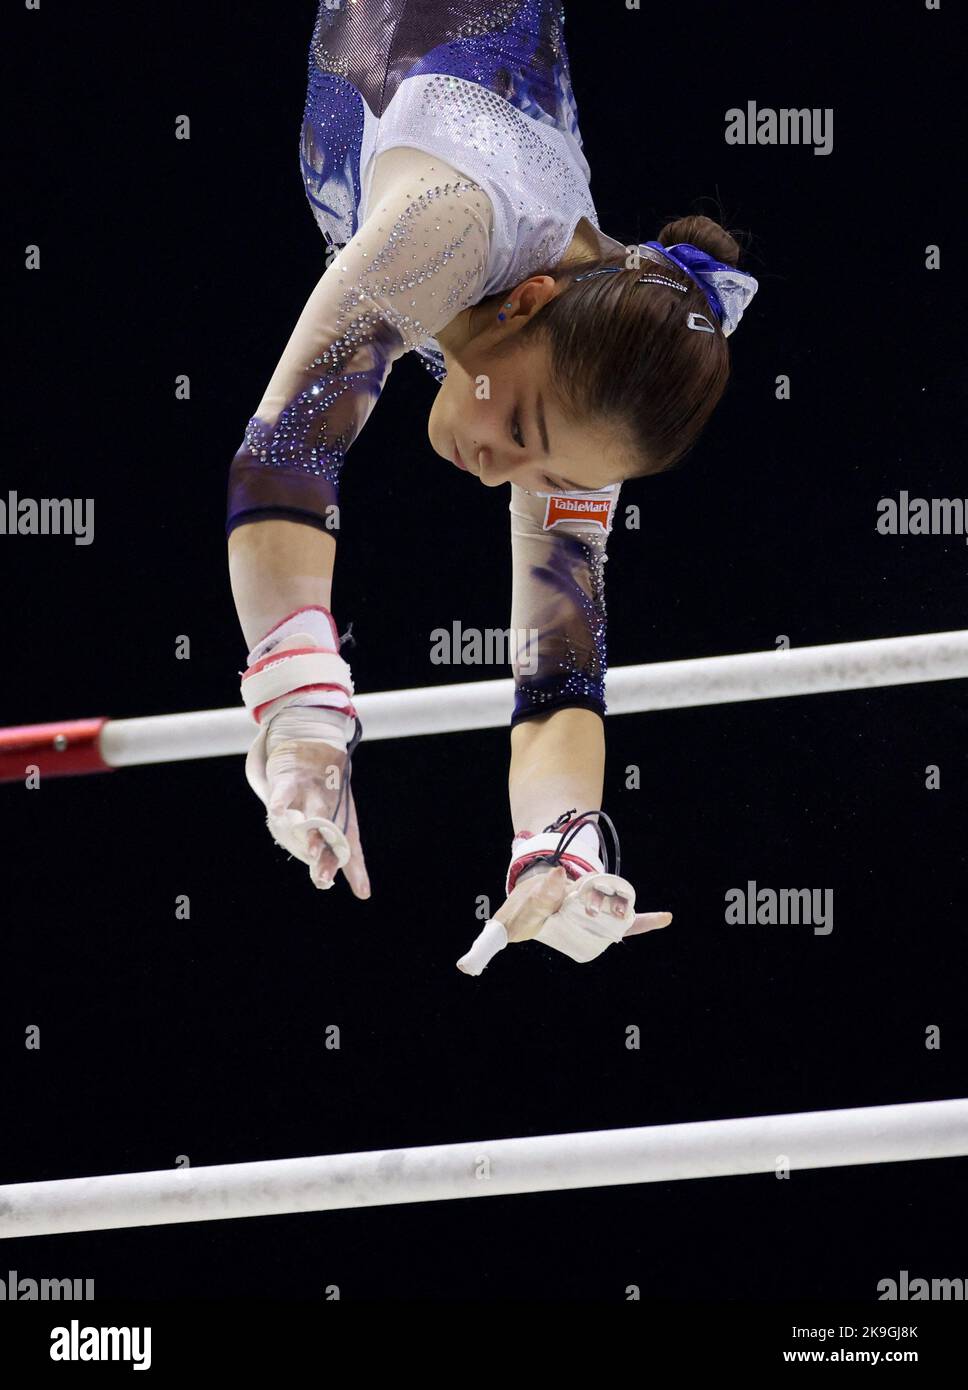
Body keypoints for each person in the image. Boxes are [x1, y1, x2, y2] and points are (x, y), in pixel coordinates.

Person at [226, 0, 758, 971]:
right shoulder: (453, 227)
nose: (502, 478)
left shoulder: (580, 377)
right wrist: (298, 697)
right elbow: (287, 448)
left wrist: (557, 848)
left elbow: (556, 674)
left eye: (545, 470)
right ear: (525, 301)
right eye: (516, 430)